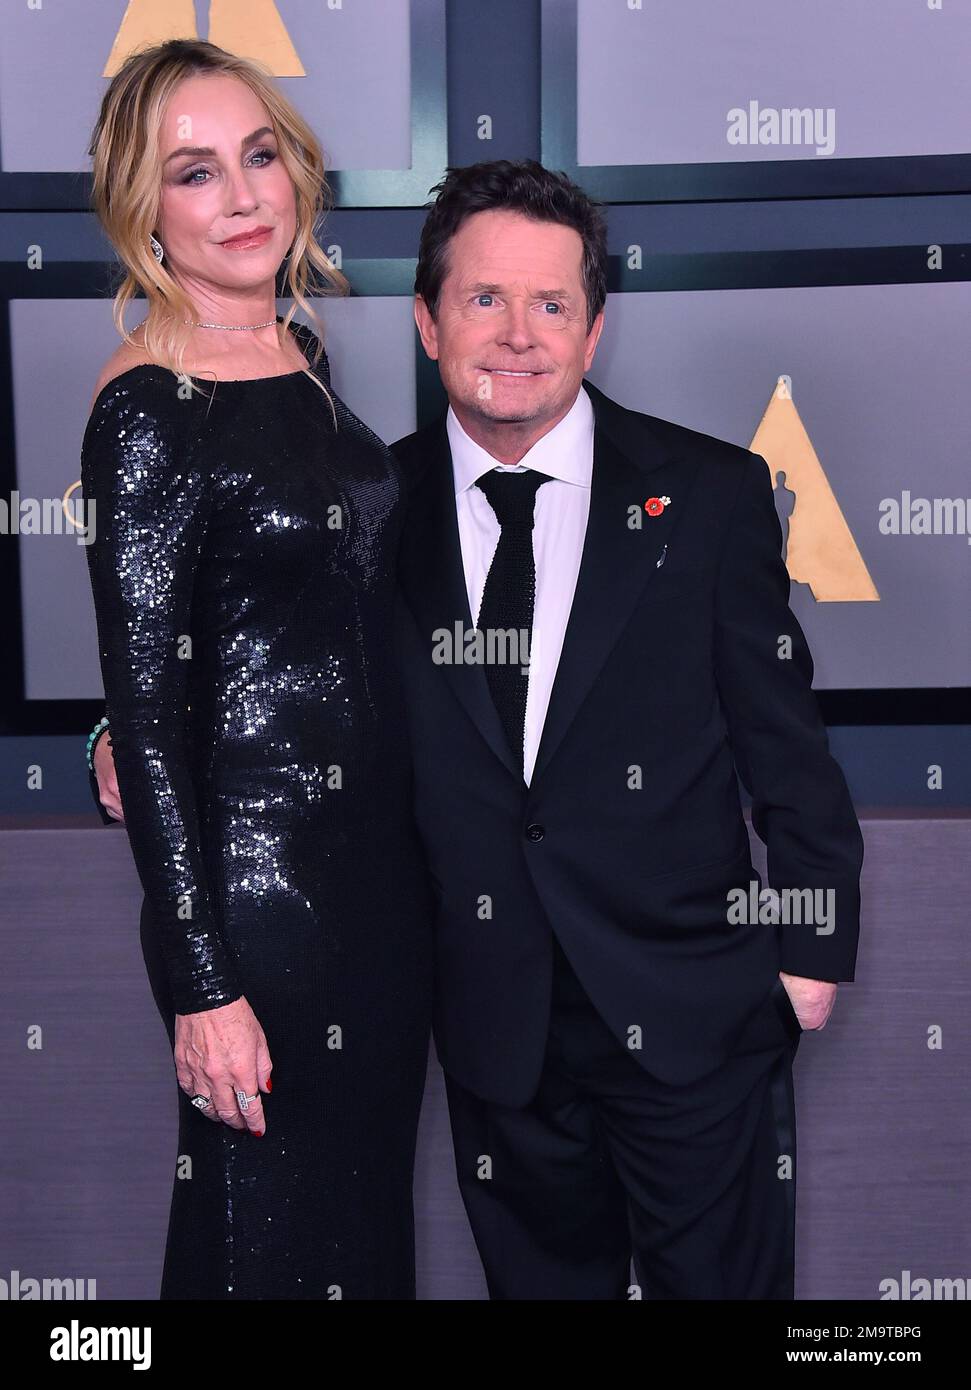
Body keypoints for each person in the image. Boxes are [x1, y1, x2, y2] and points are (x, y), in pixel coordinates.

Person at [94, 158, 865, 1300]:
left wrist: (810, 946)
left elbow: (782, 735)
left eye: (551, 303)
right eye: (482, 301)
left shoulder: (707, 493)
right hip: (488, 1024)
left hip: (695, 1011)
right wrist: (119, 729)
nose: (517, 335)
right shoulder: (369, 514)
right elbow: (262, 662)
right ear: (424, 322)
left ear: (594, 329)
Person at [80, 39, 432, 1300]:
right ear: (144, 211)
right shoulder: (148, 408)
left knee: (357, 1231)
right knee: (260, 1241)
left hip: (377, 889)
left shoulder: (298, 357)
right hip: (258, 903)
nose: (241, 196)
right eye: (193, 172)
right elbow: (149, 699)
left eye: (259, 154)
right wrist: (203, 983)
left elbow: (293, 616)